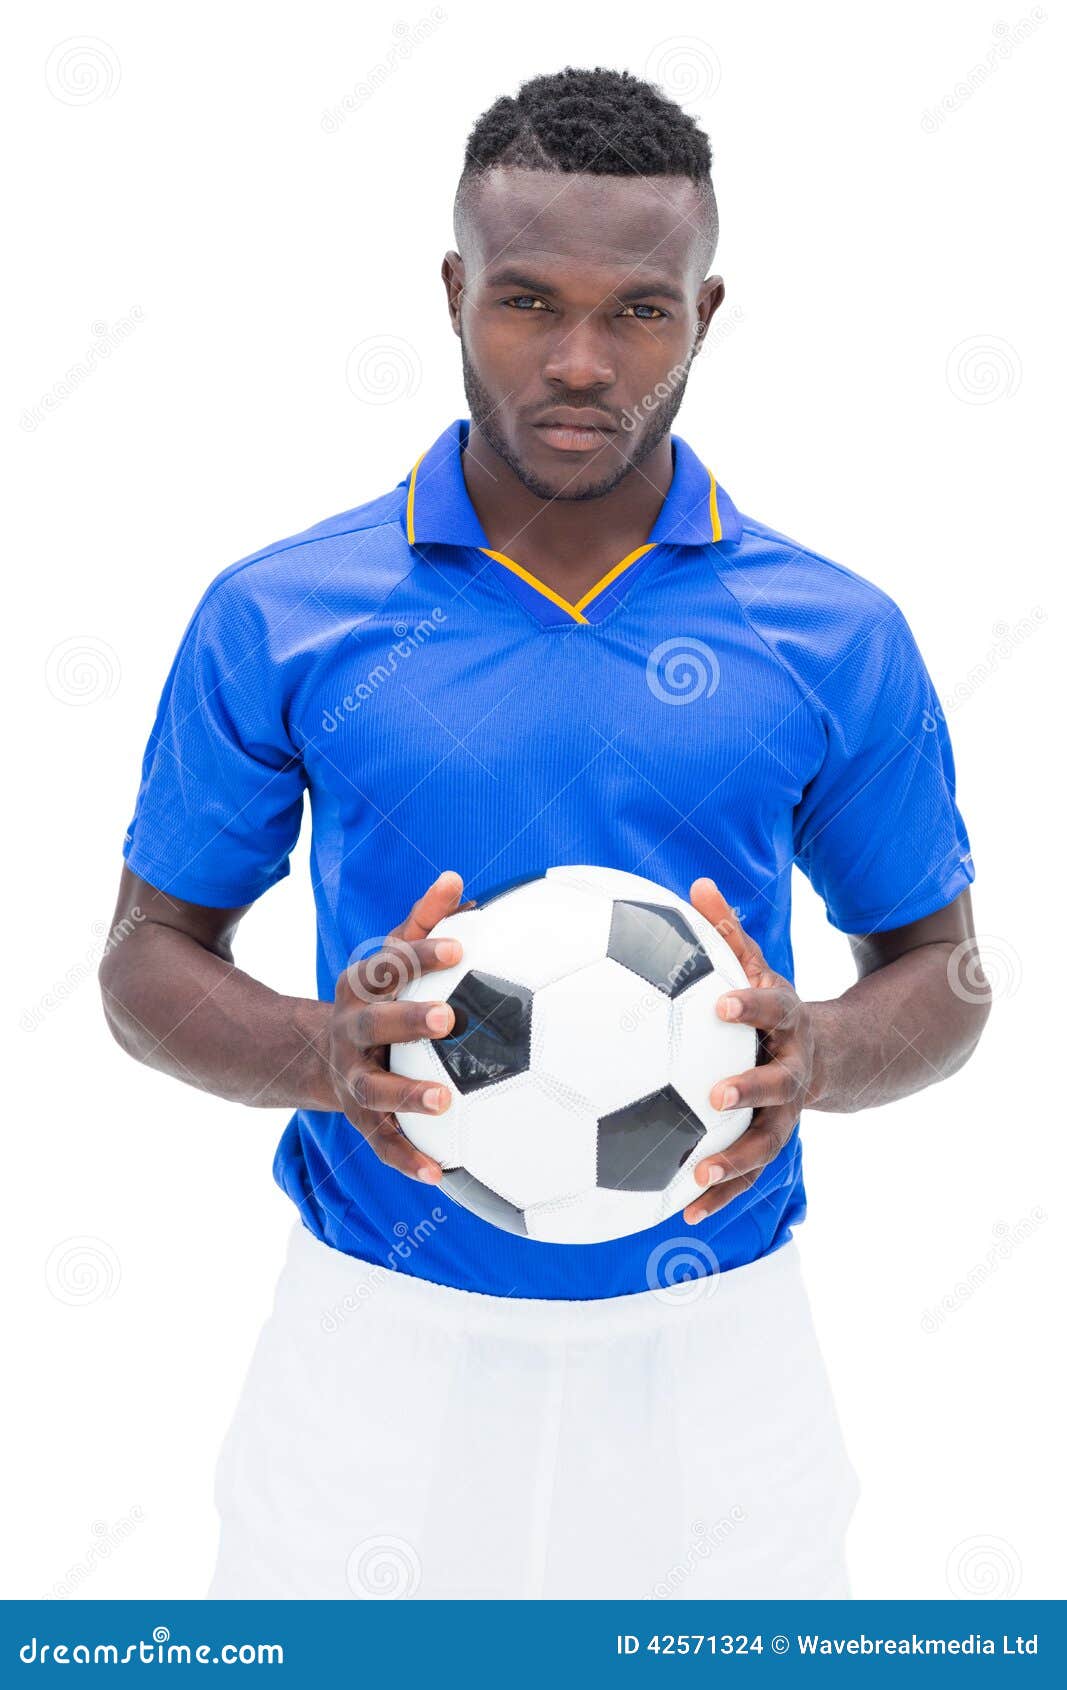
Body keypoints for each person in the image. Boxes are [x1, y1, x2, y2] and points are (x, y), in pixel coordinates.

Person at [99, 67, 989, 1600]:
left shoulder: (832, 634)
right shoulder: (284, 614)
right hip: (376, 1338)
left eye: (640, 310)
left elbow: (944, 974)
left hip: (720, 1351)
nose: (581, 363)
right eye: (527, 302)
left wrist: (823, 1052)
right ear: (453, 292)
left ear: (708, 313)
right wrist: (325, 1052)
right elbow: (145, 956)